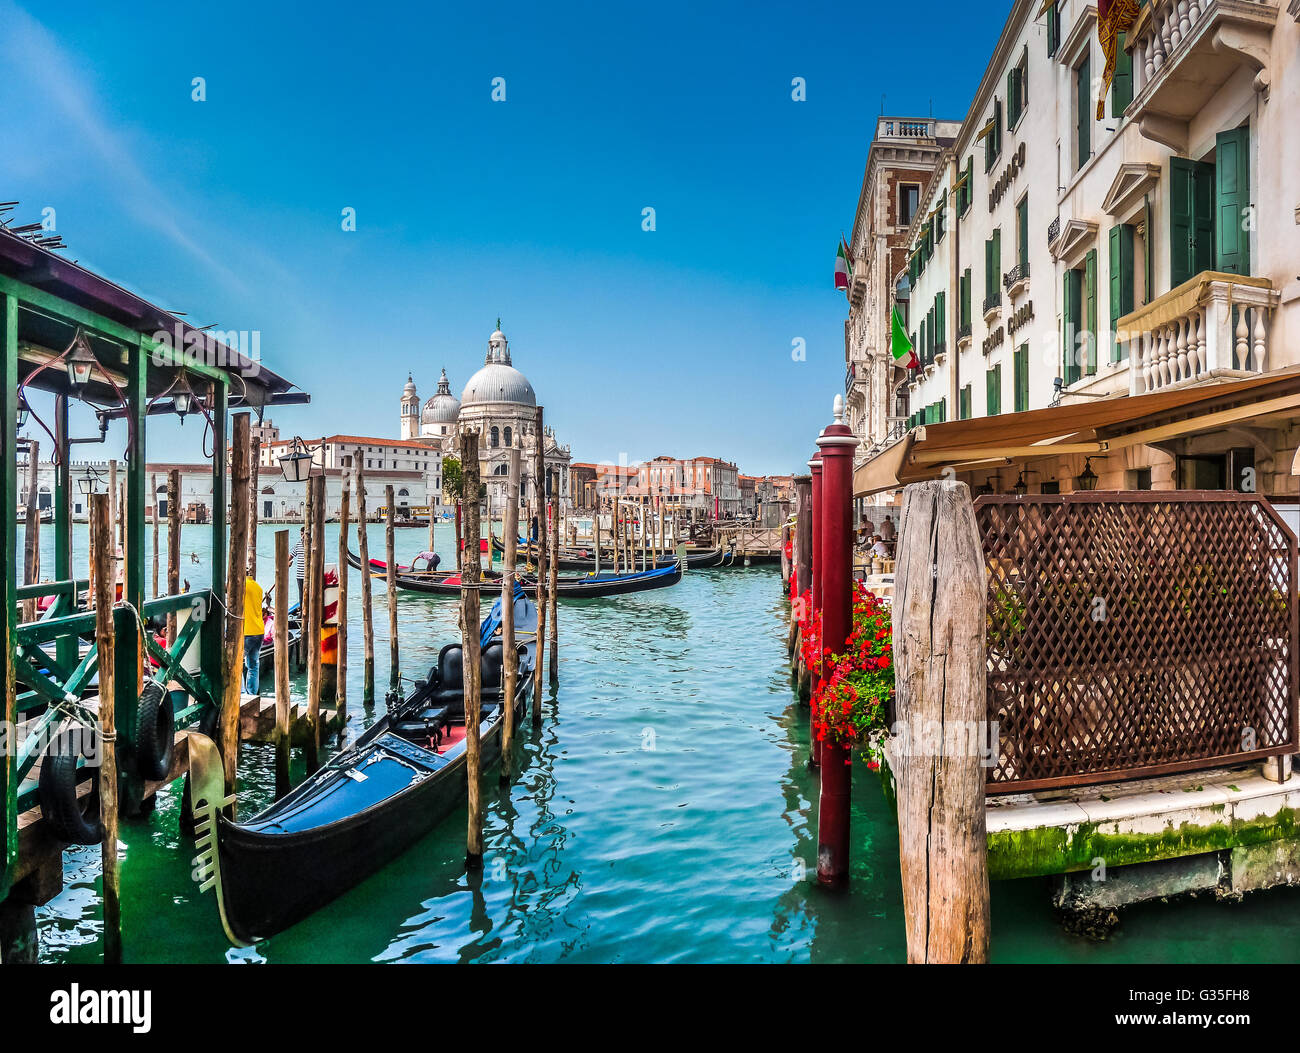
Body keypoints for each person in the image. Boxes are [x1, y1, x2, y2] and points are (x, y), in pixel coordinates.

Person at [243, 562, 266, 695]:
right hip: (259, 631)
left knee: (234, 665)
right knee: (253, 666)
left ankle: (240, 694)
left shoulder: (241, 586)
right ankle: (251, 694)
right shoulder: (258, 587)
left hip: (247, 632)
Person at [289, 529, 307, 610]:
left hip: (309, 574)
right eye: (301, 534)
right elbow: (291, 556)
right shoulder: (298, 544)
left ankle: (308, 610)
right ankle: (302, 611)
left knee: (309, 593)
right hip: (300, 574)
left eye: (304, 534)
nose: (302, 536)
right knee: (301, 594)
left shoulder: (312, 544)